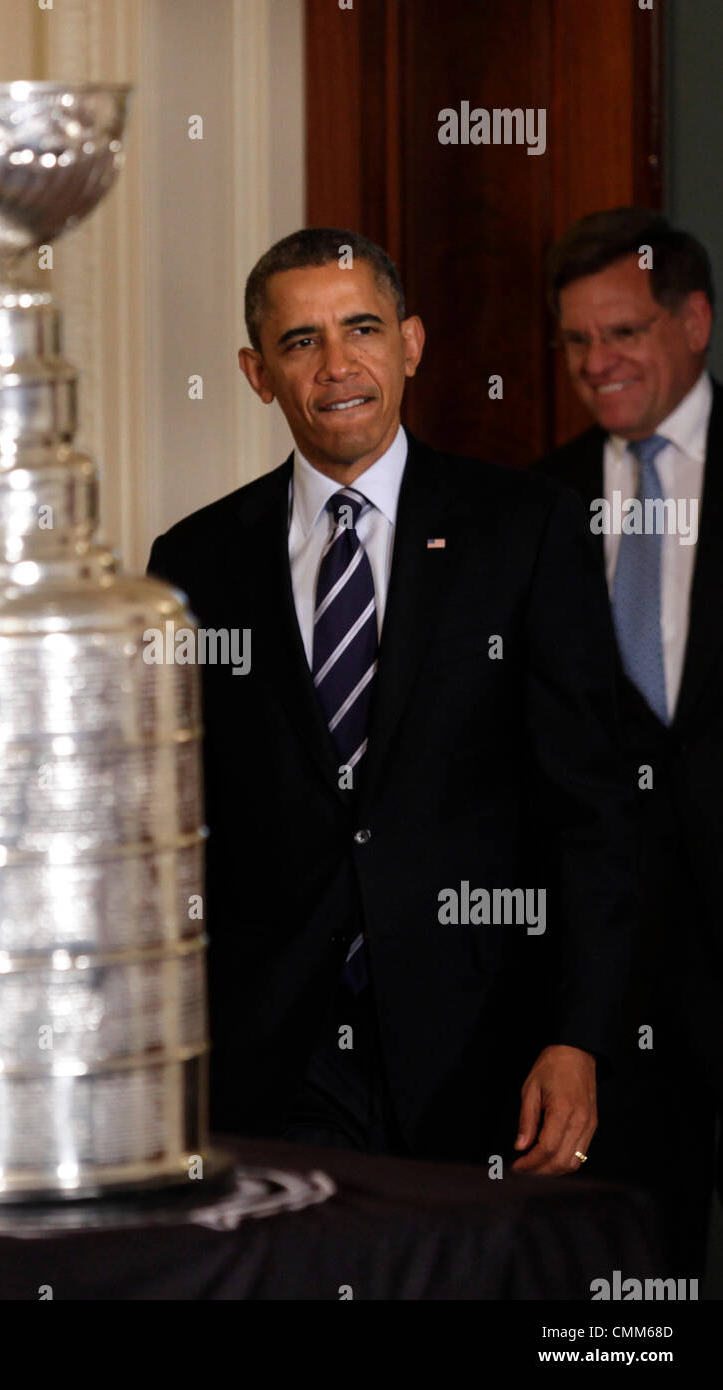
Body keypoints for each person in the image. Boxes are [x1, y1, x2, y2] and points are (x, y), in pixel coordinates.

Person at [147, 227, 632, 1178]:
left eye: (361, 328)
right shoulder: (195, 561)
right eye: (301, 342)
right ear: (257, 373)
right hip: (271, 1065)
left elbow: (594, 812)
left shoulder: (522, 530)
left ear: (410, 344)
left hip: (487, 1056)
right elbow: (170, 828)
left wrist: (581, 1039)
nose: (337, 367)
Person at [538, 207, 723, 1273]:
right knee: (631, 1277)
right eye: (573, 342)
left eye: (622, 332)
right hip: (615, 976)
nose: (595, 363)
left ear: (691, 321)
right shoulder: (538, 504)